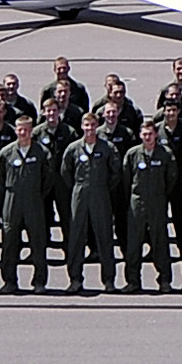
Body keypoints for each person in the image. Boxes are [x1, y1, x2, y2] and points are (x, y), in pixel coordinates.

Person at [61, 120, 122, 292]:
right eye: (87, 126)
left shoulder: (107, 148)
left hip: (101, 194)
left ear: (97, 127)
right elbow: (66, 172)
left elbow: (115, 172)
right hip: (80, 193)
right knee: (76, 237)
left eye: (93, 125)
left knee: (104, 237)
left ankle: (109, 280)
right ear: (82, 127)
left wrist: (102, 187)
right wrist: (78, 187)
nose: (90, 129)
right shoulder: (73, 148)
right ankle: (75, 279)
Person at [0, 117, 54, 293]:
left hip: (34, 201)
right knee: (10, 241)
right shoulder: (6, 153)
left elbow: (48, 178)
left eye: (26, 129)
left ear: (32, 130)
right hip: (12, 200)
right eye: (20, 129)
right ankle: (10, 281)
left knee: (37, 242)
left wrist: (36, 193)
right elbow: (0, 178)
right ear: (16, 131)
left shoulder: (41, 152)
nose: (23, 133)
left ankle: (39, 282)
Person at [122, 121, 177, 291]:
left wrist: (160, 195)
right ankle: (133, 281)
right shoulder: (132, 154)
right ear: (140, 135)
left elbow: (171, 178)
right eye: (144, 134)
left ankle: (164, 280)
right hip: (137, 203)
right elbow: (126, 179)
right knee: (134, 244)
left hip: (157, 203)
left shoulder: (165, 154)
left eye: (150, 134)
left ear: (156, 135)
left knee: (160, 242)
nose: (147, 137)